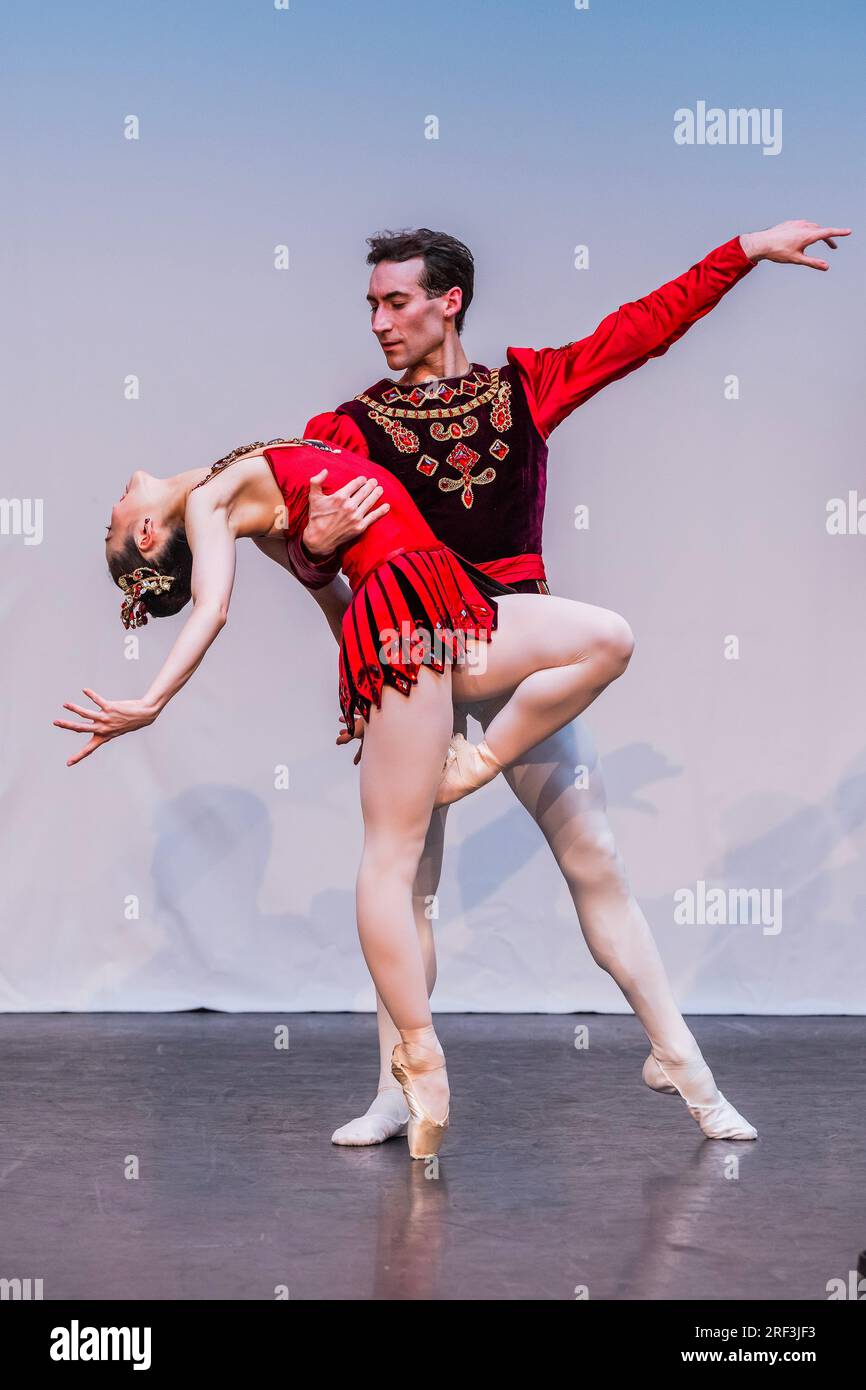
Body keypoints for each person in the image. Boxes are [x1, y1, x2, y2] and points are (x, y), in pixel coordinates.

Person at [270, 220, 849, 1147]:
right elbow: (308, 560)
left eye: (397, 301)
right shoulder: (346, 432)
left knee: (597, 863)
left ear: (448, 300)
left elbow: (643, 329)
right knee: (405, 886)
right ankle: (398, 1088)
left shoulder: (524, 387)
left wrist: (742, 250)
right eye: (372, 305)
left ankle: (688, 1073)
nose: (379, 321)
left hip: (518, 651)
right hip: (416, 665)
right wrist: (316, 549)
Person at [56, 436, 654, 1160]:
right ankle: (421, 1060)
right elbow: (211, 610)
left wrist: (362, 673)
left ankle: (479, 761)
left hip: (435, 602)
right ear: (146, 535)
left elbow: (331, 597)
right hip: (406, 626)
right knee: (391, 861)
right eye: (110, 524)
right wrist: (151, 701)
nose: (113, 507)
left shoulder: (236, 493)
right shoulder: (213, 503)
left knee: (608, 640)